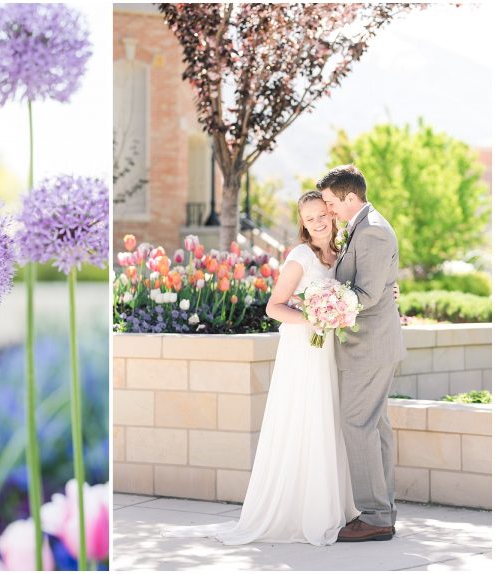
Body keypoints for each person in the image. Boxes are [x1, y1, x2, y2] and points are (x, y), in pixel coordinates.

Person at [161, 190, 359, 546]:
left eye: (321, 215)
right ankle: (301, 512)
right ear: (302, 221)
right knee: (305, 420)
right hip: (304, 349)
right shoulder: (300, 256)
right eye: (309, 217)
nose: (316, 222)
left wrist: (338, 312)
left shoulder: (339, 251)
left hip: (328, 348)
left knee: (327, 421)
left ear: (331, 213)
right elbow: (274, 307)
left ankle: (331, 507)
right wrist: (313, 316)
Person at [318, 164, 405, 542]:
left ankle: (374, 516)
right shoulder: (365, 228)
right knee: (375, 427)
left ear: (351, 198)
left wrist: (317, 301)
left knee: (359, 425)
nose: (328, 211)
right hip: (371, 345)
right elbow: (378, 286)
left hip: (368, 347)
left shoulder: (371, 232)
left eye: (331, 203)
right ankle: (382, 511)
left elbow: (366, 295)